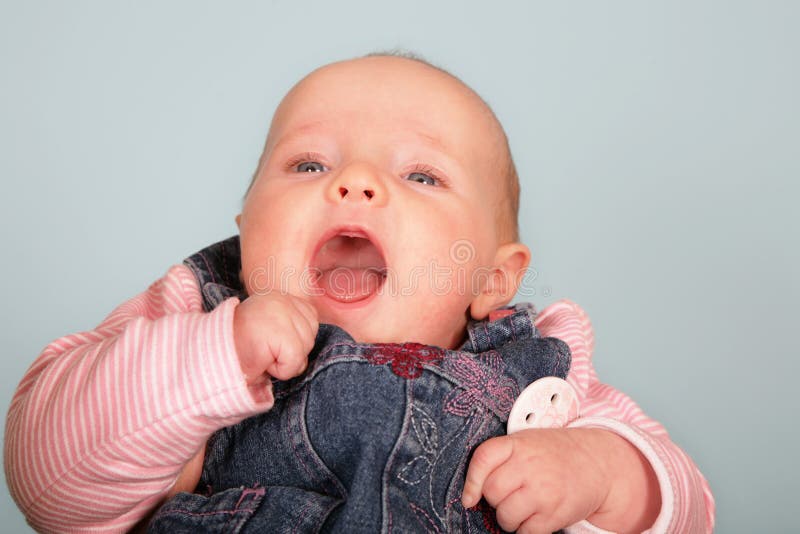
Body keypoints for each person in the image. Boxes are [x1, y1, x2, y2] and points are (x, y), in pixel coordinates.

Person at [4, 53, 714, 533]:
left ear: (493, 279)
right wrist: (212, 358)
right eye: (309, 162)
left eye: (422, 176)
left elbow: (691, 509)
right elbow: (45, 486)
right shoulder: (195, 328)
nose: (356, 182)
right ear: (247, 231)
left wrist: (602, 473)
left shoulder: (544, 385)